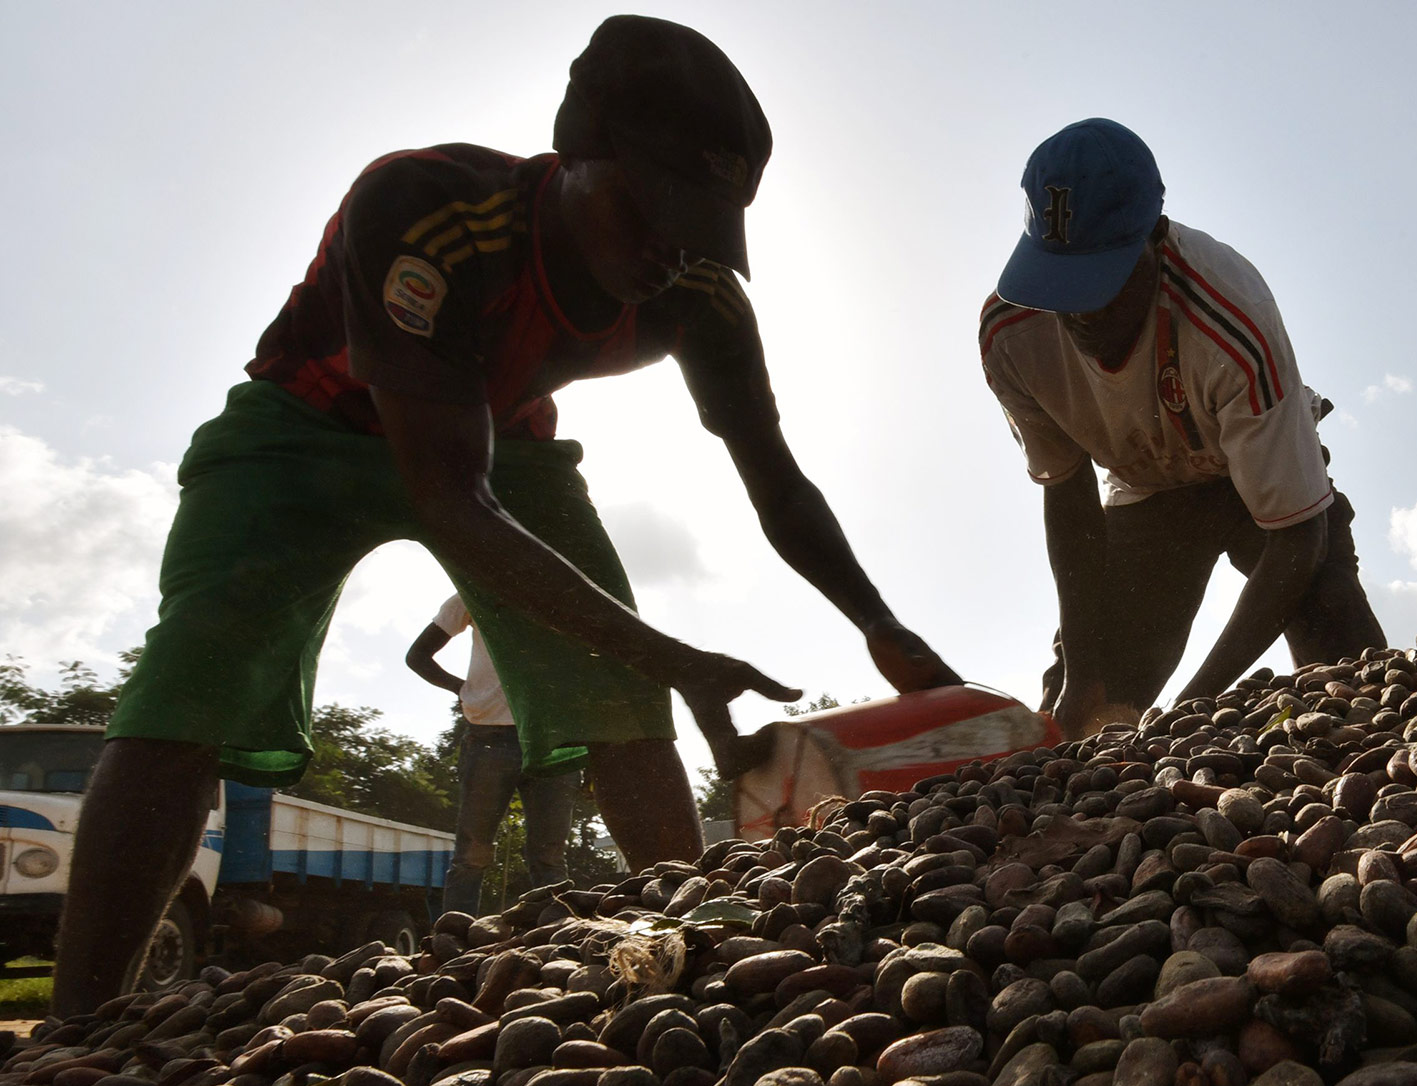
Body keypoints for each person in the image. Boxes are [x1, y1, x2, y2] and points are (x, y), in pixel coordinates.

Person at [51, 15, 957, 1015]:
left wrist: (880, 623)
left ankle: (703, 965)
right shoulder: (426, 207)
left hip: (501, 437)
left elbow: (776, 480)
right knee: (195, 681)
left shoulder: (697, 293)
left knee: (618, 689)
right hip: (309, 425)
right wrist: (673, 654)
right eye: (649, 207)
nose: (668, 249)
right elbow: (451, 500)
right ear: (579, 147)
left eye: (696, 223)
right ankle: (78, 1024)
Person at [979, 118, 1385, 738]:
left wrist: (1192, 709)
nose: (1080, 314)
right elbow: (1068, 496)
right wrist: (1082, 675)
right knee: (1088, 703)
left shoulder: (1231, 314)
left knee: (1347, 659)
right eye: (1064, 286)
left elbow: (1297, 536)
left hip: (1251, 476)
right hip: (1147, 492)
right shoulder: (1012, 335)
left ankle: (1362, 729)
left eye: (1102, 285)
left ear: (1156, 240)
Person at [408, 592, 583, 915]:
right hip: (491, 735)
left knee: (549, 856)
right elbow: (417, 656)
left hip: (554, 738)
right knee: (471, 854)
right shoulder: (474, 591)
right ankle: (456, 936)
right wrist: (462, 689)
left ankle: (555, 934)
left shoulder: (565, 591)